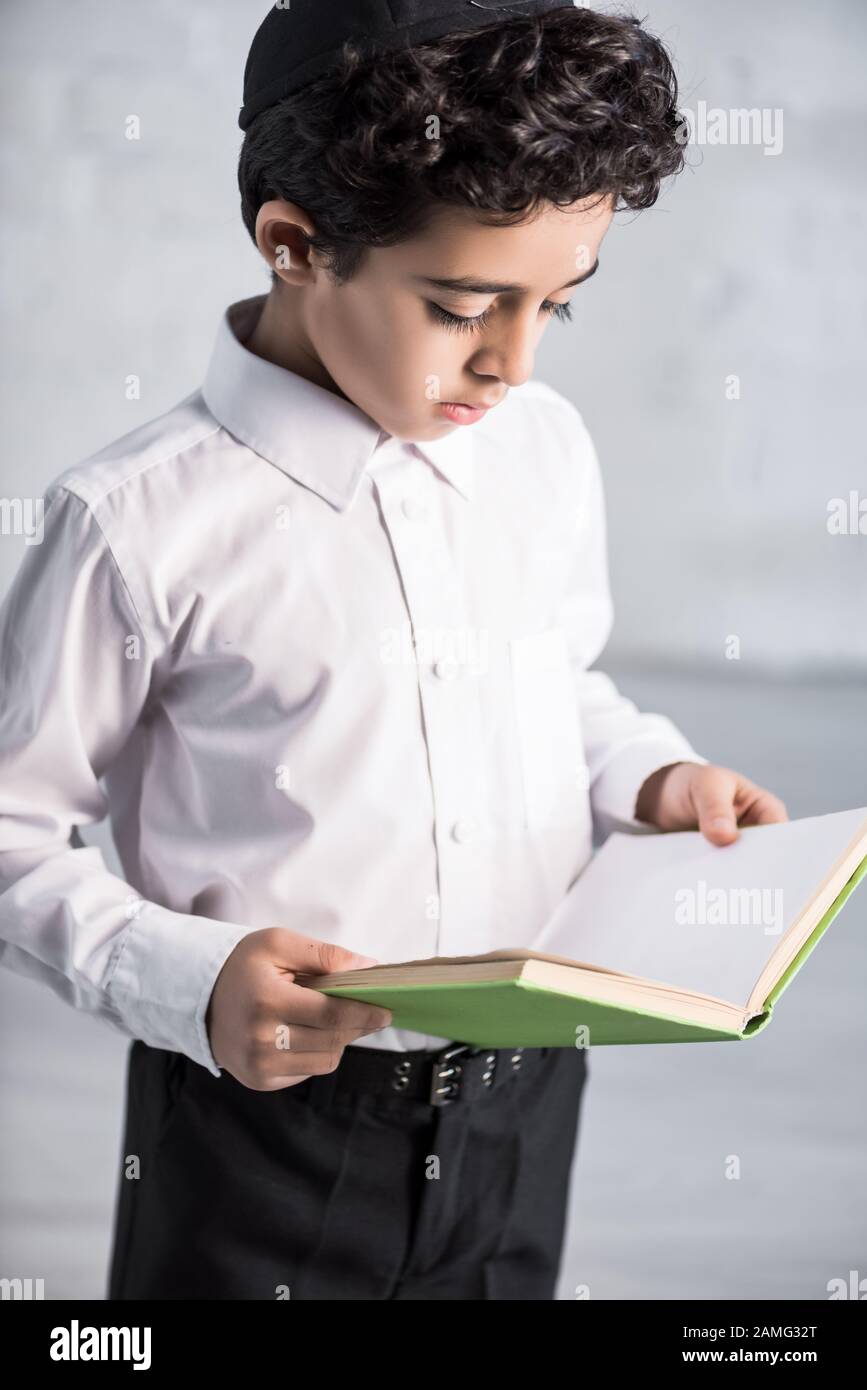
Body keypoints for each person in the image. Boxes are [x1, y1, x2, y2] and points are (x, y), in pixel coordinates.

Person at [0, 1, 788, 1300]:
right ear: (295, 243)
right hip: (266, 1116)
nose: (515, 362)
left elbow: (557, 682)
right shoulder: (136, 523)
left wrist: (651, 776)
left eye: (558, 307)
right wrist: (190, 983)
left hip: (532, 1092)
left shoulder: (541, 451)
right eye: (464, 302)